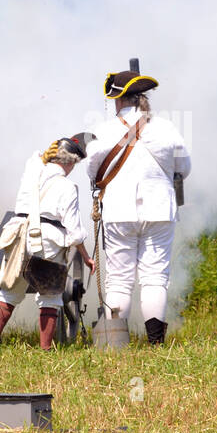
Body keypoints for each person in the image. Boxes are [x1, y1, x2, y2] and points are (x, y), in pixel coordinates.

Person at [85, 71, 191, 346]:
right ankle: (155, 343)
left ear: (119, 100)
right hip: (159, 210)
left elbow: (91, 170)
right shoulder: (166, 127)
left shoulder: (106, 130)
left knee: (119, 281)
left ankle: (116, 344)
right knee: (155, 278)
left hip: (118, 212)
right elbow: (184, 168)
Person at [0, 134, 96, 349]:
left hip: (18, 236)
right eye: (74, 164)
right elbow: (74, 230)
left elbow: (34, 159)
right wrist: (86, 256)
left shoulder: (32, 172)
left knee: (9, 292)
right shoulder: (67, 187)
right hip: (47, 239)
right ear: (69, 162)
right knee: (50, 296)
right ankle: (45, 349)